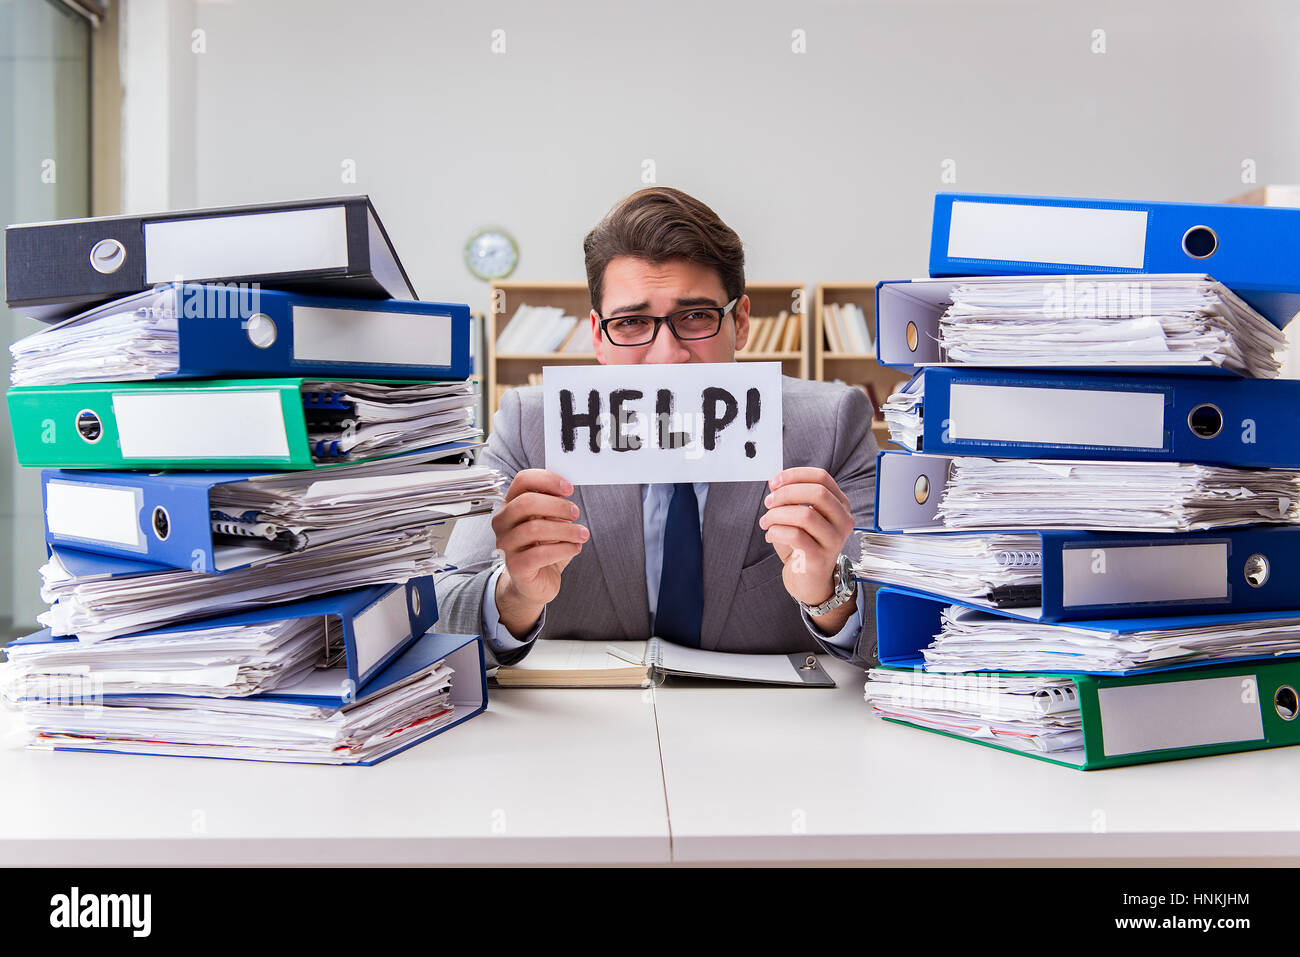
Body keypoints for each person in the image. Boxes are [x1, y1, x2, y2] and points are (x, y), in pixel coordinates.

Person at [435, 187, 878, 669]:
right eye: (630, 322)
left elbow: (906, 629)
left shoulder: (832, 424)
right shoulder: (529, 426)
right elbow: (438, 614)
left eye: (696, 316)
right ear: (599, 337)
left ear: (742, 322)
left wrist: (829, 591)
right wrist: (515, 594)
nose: (668, 355)